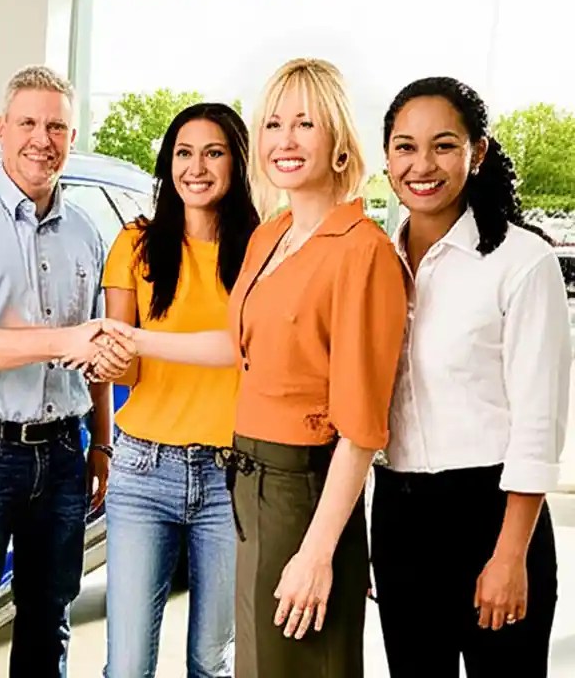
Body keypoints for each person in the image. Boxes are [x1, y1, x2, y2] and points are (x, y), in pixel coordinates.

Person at [94, 58, 409, 677]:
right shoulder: (275, 235)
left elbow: (363, 428)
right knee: (254, 666)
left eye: (305, 123)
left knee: (293, 663)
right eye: (272, 124)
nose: (284, 140)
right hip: (246, 482)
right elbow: (232, 347)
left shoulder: (363, 250)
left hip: (303, 486)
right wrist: (129, 336)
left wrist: (318, 552)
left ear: (341, 140)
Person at [0, 64, 135, 678]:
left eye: (57, 125)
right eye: (30, 123)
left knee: (48, 623)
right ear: (1, 128)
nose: (43, 138)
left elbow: (97, 354)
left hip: (66, 452)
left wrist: (104, 445)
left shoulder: (88, 233)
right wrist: (64, 338)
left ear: (71, 135)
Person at [370, 76, 569, 678]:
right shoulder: (376, 260)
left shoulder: (521, 261)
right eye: (405, 147)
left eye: (444, 145)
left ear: (477, 153)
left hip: (493, 515)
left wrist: (511, 556)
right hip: (400, 518)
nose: (421, 165)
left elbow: (538, 424)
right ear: (386, 158)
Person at [99, 102, 258, 678]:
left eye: (213, 152)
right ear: (168, 164)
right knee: (127, 665)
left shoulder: (263, 250)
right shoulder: (136, 244)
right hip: (143, 470)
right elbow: (124, 366)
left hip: (233, 476)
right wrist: (106, 357)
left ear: (237, 163)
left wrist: (135, 342)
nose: (197, 167)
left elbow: (254, 357)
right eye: (184, 153)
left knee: (211, 662)